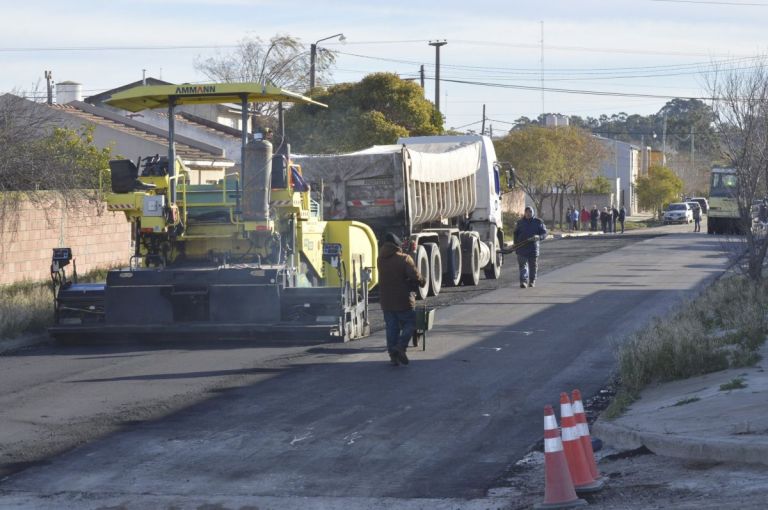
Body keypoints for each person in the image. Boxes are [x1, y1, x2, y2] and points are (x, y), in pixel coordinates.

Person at [377, 232, 425, 366]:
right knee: (412, 321)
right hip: (403, 299)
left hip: (386, 301)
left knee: (391, 328)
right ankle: (401, 346)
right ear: (397, 245)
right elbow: (415, 276)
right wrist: (422, 281)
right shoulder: (404, 258)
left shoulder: (380, 259)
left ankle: (393, 356)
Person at [513, 206, 548, 288]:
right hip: (521, 248)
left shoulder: (538, 222)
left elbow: (544, 233)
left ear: (533, 213)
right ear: (524, 213)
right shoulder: (520, 222)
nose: (528, 214)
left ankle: (532, 281)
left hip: (533, 248)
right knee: (523, 266)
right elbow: (515, 234)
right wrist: (515, 244)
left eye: (530, 212)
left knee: (533, 266)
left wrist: (539, 237)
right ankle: (524, 281)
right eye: (527, 212)